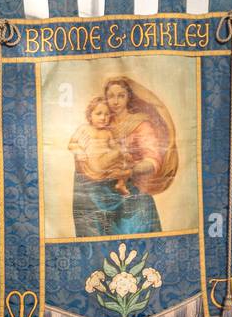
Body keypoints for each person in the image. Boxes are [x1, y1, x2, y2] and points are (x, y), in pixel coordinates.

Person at [71, 75, 177, 237]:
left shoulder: (140, 123)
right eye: (111, 96)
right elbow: (81, 148)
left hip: (129, 186)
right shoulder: (101, 119)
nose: (115, 101)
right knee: (89, 209)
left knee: (141, 211)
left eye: (121, 95)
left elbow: (153, 159)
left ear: (129, 97)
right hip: (97, 188)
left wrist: (130, 170)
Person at [69, 97, 130, 196]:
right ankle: (121, 180)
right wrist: (79, 150)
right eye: (98, 114)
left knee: (127, 170)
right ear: (90, 115)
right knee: (120, 153)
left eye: (107, 114)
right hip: (93, 164)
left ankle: (120, 184)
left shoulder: (108, 132)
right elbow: (71, 144)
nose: (103, 118)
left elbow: (114, 146)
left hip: (105, 166)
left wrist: (122, 150)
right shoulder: (84, 128)